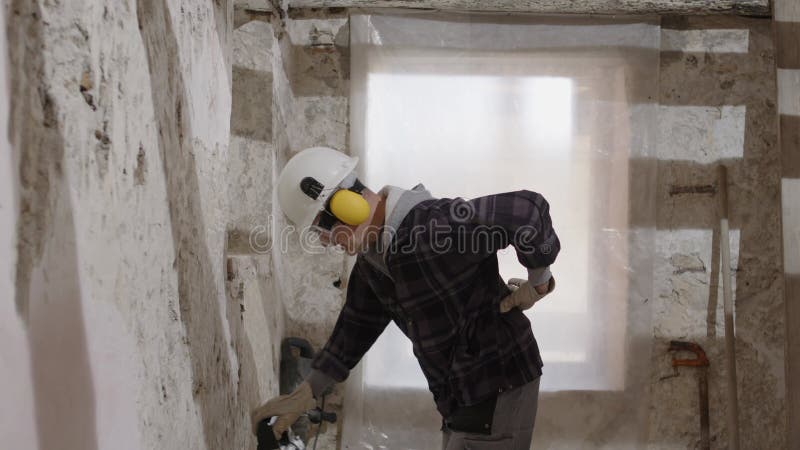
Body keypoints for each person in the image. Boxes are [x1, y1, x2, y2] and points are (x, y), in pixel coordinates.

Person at [251, 147, 560, 450]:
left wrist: (539, 279)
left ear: (345, 205)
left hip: (499, 383)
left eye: (320, 229)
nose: (325, 241)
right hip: (460, 401)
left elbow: (527, 211)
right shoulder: (374, 260)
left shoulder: (433, 228)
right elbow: (356, 325)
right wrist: (306, 392)